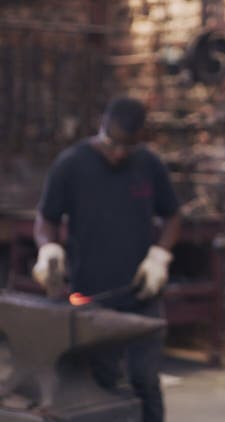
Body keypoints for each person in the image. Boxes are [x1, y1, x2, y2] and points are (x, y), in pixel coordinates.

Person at [32, 97, 181, 422]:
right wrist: (48, 248)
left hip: (141, 296)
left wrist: (160, 256)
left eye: (127, 147)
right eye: (111, 143)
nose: (117, 153)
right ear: (101, 127)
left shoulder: (149, 164)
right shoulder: (71, 164)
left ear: (141, 137)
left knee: (144, 379)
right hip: (91, 299)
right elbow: (46, 218)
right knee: (102, 384)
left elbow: (172, 215)